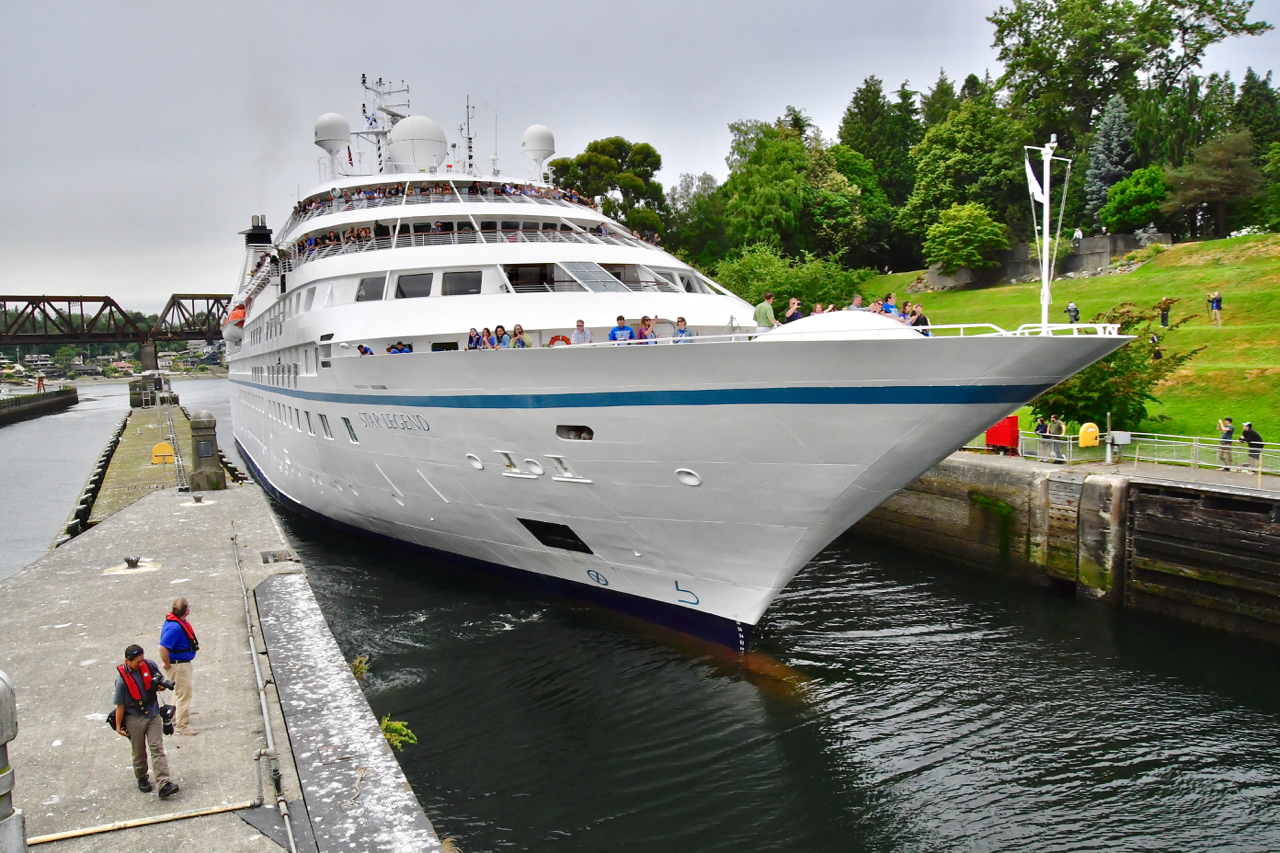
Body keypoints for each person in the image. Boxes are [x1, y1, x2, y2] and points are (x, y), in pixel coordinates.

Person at [114, 644, 179, 799]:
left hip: (153, 714)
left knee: (157, 748)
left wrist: (161, 685)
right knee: (139, 750)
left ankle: (164, 784)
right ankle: (142, 777)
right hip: (134, 718)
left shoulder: (149, 666)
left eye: (142, 660)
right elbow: (120, 706)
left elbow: (158, 686)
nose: (140, 664)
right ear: (127, 661)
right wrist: (118, 726)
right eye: (137, 662)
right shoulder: (122, 681)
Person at [158, 598, 198, 735]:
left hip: (181, 664)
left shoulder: (174, 622)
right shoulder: (175, 627)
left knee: (178, 693)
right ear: (187, 611)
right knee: (184, 695)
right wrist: (167, 664)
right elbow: (162, 647)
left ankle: (175, 716)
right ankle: (182, 726)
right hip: (179, 665)